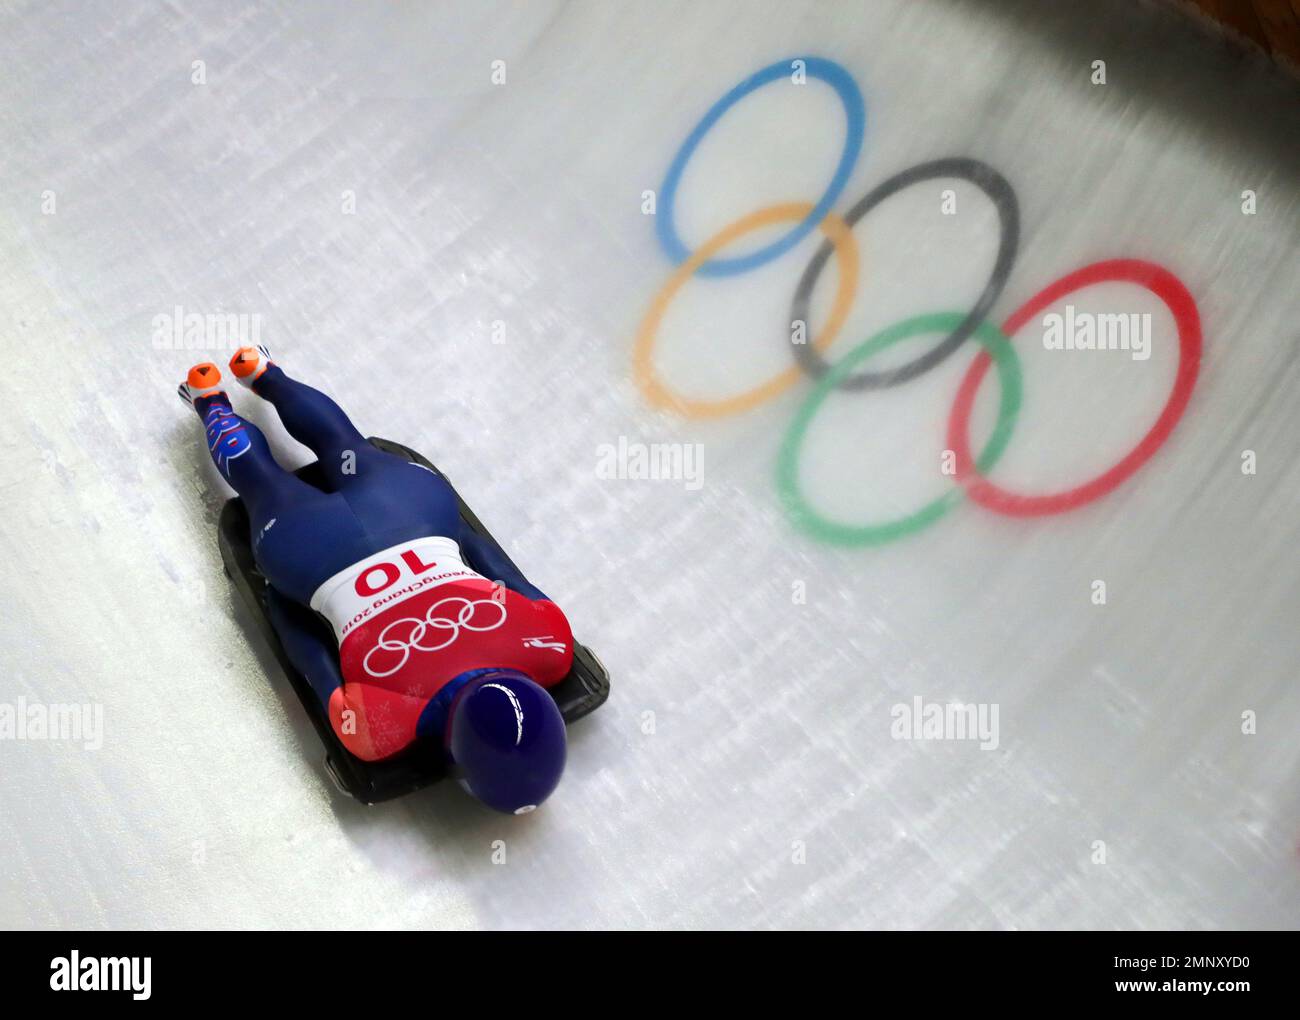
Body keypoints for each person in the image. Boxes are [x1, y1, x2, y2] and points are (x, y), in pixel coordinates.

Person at [179, 346, 572, 814]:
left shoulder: (550, 646)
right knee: (265, 484)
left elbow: (493, 563)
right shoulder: (378, 730)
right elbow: (309, 655)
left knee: (343, 444)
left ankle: (262, 373)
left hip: (408, 508)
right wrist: (284, 596)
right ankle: (211, 401)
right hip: (312, 551)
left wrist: (450, 532)